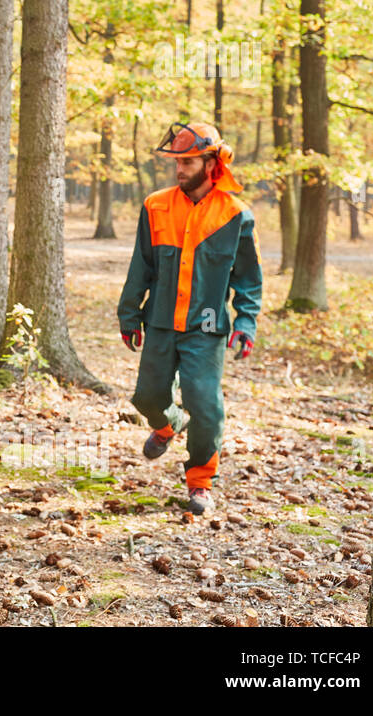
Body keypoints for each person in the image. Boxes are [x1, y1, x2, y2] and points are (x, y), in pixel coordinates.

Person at [117, 121, 263, 516]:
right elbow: (141, 266)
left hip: (208, 328)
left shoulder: (236, 216)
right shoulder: (156, 205)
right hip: (160, 322)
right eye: (177, 162)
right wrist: (129, 313)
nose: (179, 170)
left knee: (207, 406)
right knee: (146, 397)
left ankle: (200, 482)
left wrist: (246, 323)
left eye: (188, 162)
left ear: (212, 163)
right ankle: (167, 425)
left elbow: (249, 281)